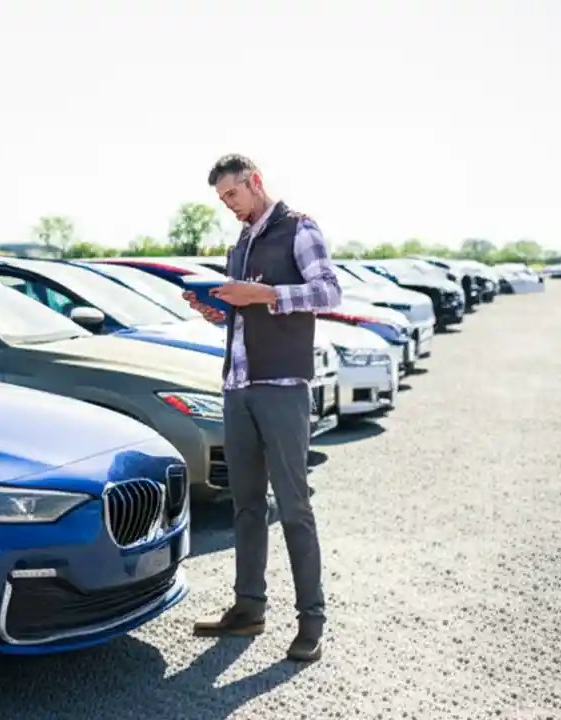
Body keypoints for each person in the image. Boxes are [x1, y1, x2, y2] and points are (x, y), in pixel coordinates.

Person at [185, 153, 342, 662]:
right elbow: (243, 315)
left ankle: (311, 622)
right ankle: (248, 608)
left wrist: (265, 292)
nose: (229, 205)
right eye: (222, 199)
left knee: (294, 507)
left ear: (254, 182)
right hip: (238, 387)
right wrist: (217, 311)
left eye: (232, 194)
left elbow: (328, 291)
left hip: (281, 388)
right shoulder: (240, 244)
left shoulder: (300, 228)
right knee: (246, 505)